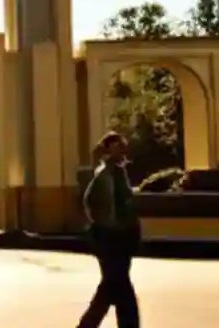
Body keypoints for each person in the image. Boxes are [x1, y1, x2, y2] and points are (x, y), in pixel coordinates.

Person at [77, 131, 142, 328]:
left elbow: (128, 205)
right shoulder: (104, 175)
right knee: (116, 287)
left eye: (122, 146)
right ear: (108, 151)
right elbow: (90, 202)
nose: (121, 151)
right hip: (110, 238)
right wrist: (103, 225)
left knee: (114, 287)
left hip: (122, 237)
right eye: (116, 147)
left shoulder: (120, 173)